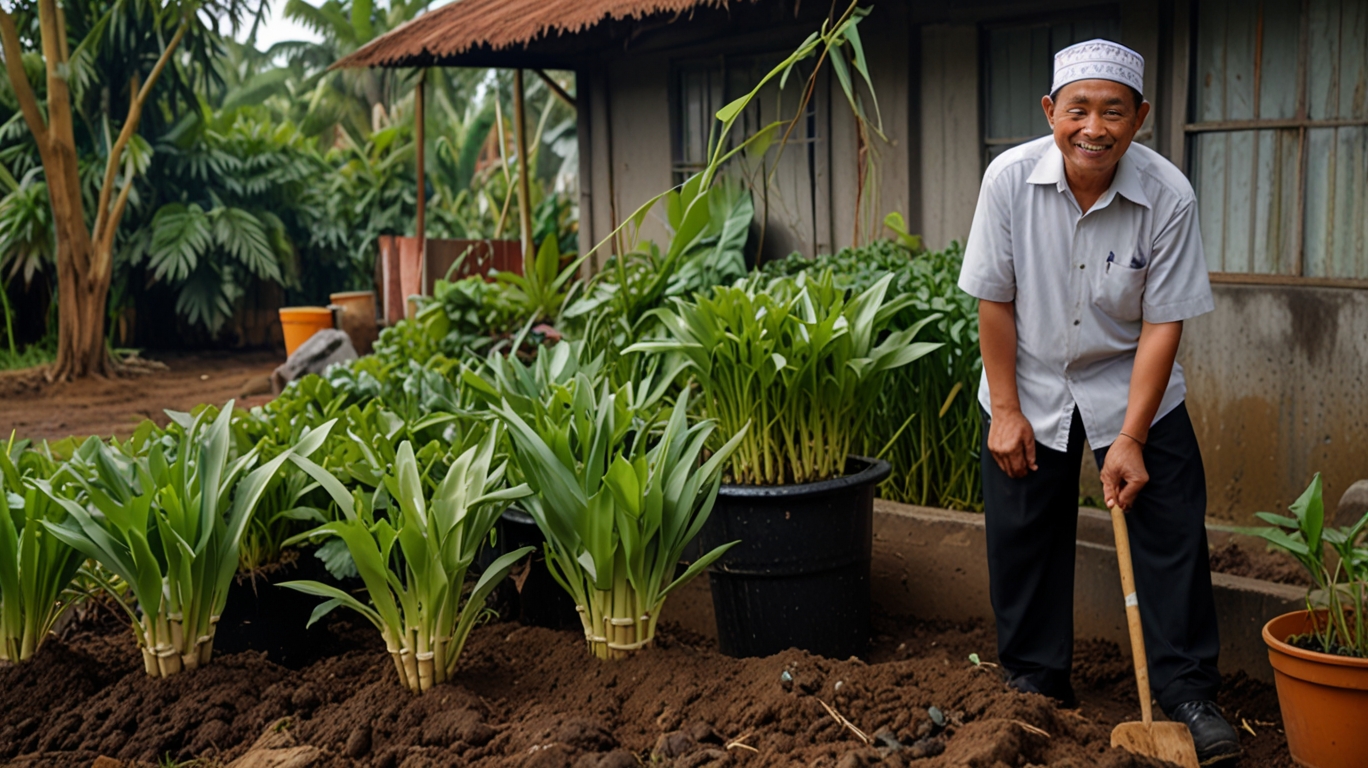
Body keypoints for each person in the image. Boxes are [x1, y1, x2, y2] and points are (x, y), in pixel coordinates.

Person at [956, 39, 1241, 765]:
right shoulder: (1009, 180)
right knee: (1024, 532)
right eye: (1077, 109)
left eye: (1113, 111)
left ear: (1139, 117)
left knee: (1171, 527)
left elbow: (1162, 322)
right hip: (1031, 376)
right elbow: (994, 301)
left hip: (1131, 382)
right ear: (1051, 111)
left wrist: (1132, 436)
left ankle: (1186, 692)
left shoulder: (1167, 195)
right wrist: (1010, 410)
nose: (1094, 127)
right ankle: (1035, 684)